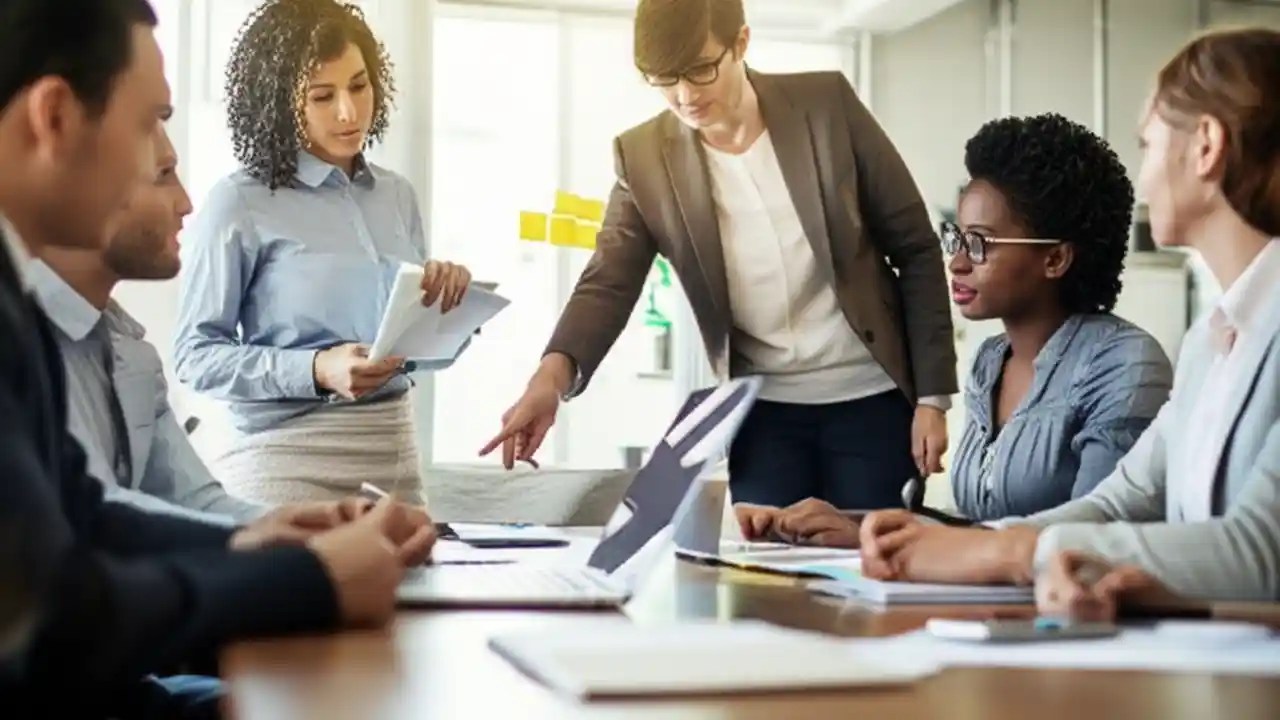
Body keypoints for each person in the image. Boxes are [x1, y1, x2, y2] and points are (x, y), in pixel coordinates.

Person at [0, 2, 433, 715]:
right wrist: (309, 579)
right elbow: (54, 619)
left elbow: (86, 511)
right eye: (148, 125)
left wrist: (263, 538)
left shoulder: (17, 303)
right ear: (54, 117)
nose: (164, 174)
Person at [854, 27, 1280, 603]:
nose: (1143, 176)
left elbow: (1262, 551)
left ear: (1206, 145)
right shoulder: (1211, 343)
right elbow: (1120, 502)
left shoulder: (1140, 356)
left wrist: (1006, 553)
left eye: (1148, 145)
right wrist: (929, 542)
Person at [483, 0, 957, 510]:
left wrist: (932, 398)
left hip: (871, 398)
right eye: (665, 78)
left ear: (742, 43)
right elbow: (607, 283)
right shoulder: (644, 158)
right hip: (762, 413)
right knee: (766, 557)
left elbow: (915, 247)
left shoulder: (826, 107)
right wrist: (549, 380)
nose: (685, 95)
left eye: (701, 69)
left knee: (874, 548)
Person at [735, 114, 1174, 541]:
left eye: (980, 243)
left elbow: (1094, 537)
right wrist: (857, 527)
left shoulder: (1124, 365)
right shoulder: (991, 361)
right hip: (987, 591)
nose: (958, 262)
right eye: (957, 238)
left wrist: (884, 534)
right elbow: (975, 524)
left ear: (1055, 259)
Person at [174, 0, 472, 505]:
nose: (349, 112)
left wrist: (446, 306)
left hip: (393, 458)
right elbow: (195, 357)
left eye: (359, 85)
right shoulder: (240, 202)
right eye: (321, 96)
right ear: (279, 102)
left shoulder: (396, 195)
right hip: (284, 461)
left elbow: (415, 357)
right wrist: (316, 369)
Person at [34, 120, 368, 528]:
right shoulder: (25, 347)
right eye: (163, 175)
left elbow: (199, 505)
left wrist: (317, 529)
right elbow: (96, 519)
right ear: (88, 188)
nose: (186, 203)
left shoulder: (134, 356)